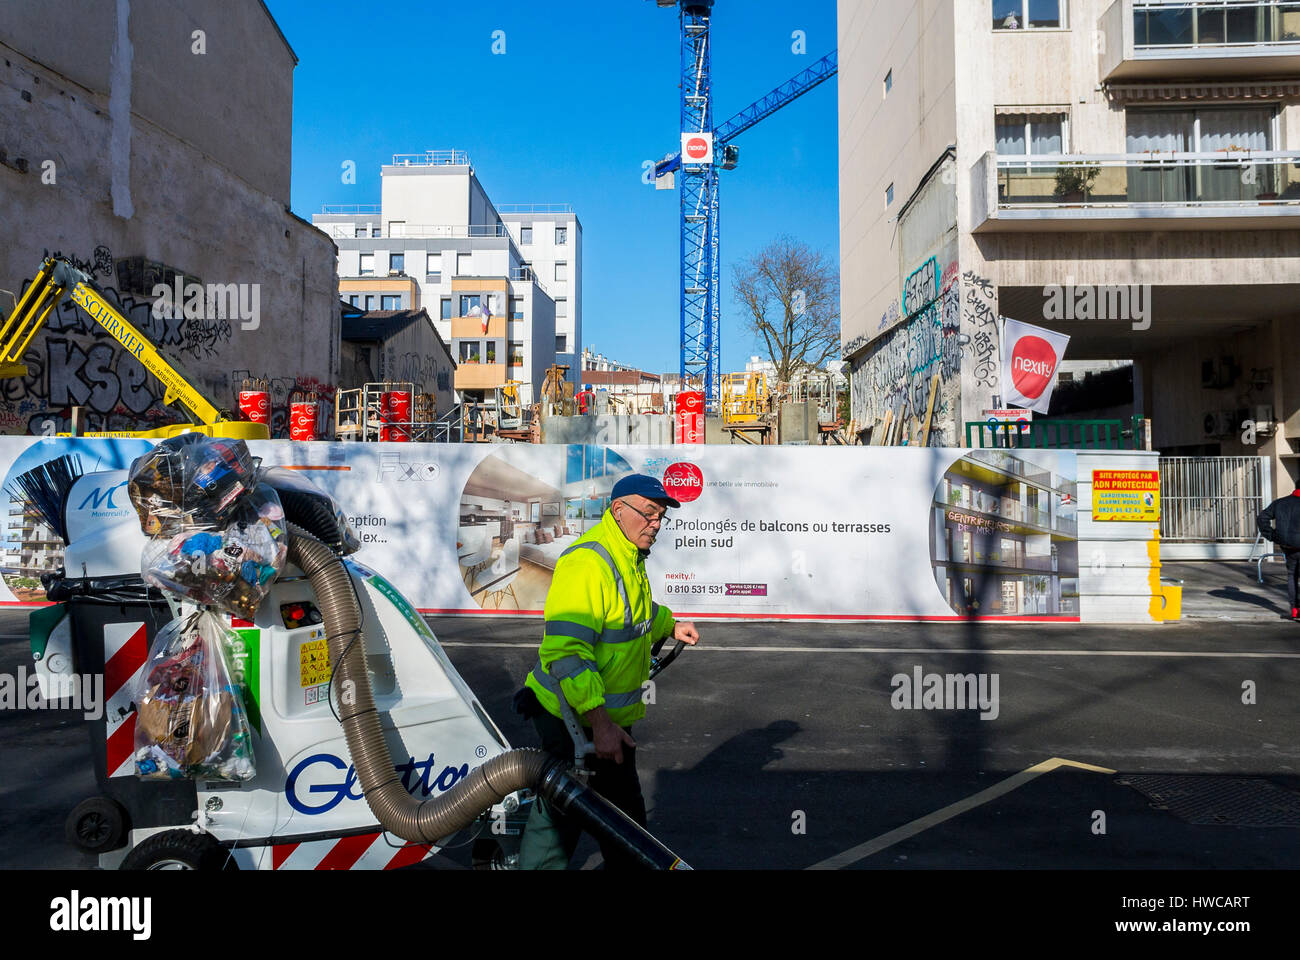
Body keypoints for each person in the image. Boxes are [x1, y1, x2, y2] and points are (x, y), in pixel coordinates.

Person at [515, 474, 700, 869]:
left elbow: (634, 614)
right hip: (576, 721)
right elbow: (566, 653)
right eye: (649, 513)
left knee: (591, 816)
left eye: (661, 516)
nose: (656, 523)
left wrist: (669, 625)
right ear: (618, 511)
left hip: (600, 721)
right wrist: (599, 724)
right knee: (600, 821)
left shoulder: (627, 557)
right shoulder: (588, 563)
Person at [1257, 487, 1300, 620]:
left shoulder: (1280, 503)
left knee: (1292, 575)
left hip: (1289, 546)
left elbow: (1262, 518)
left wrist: (1272, 535)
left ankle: (1294, 609)